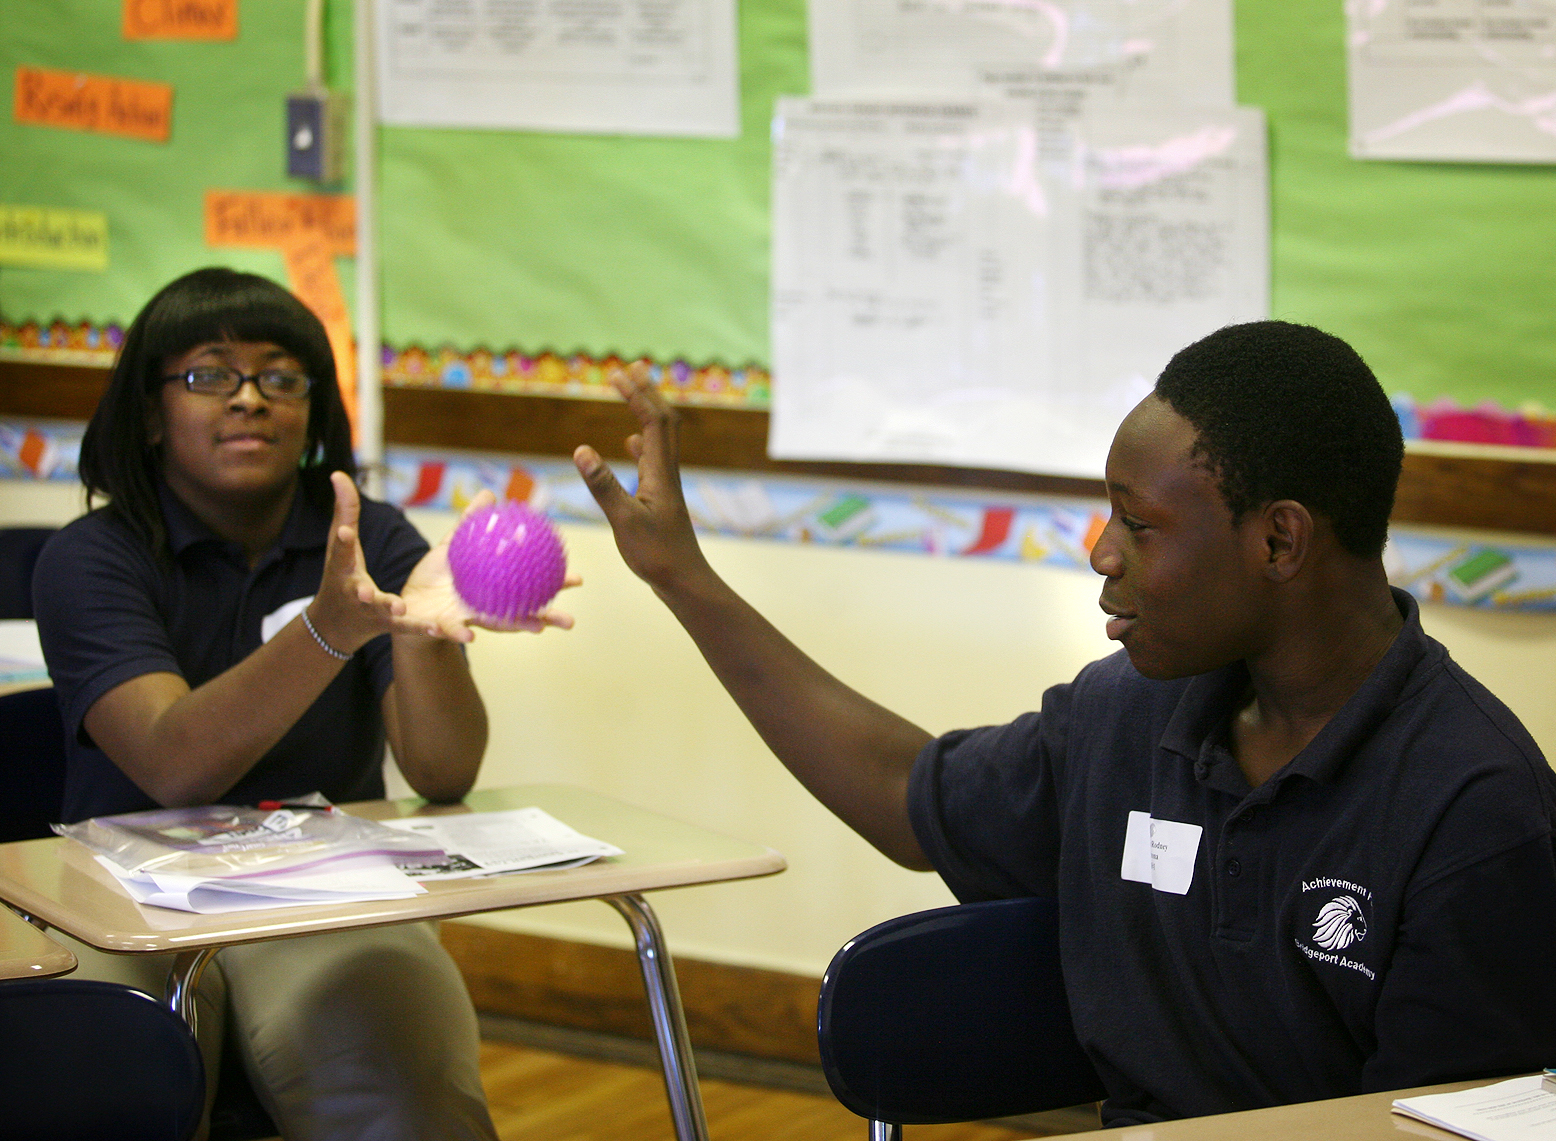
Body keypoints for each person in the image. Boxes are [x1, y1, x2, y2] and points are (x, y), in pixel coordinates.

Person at [572, 320, 1556, 1124]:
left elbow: (1438, 1125)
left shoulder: (1474, 812)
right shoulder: (1131, 713)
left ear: (1278, 539)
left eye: (1138, 523)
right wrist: (685, 581)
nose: (1099, 551)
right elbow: (902, 793)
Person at [32, 266, 572, 1141]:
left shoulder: (374, 539)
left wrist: (424, 631)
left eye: (280, 377)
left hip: (323, 894)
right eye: (210, 375)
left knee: (407, 1094)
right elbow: (174, 764)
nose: (249, 399)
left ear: (314, 410)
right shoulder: (91, 558)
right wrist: (329, 627)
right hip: (123, 902)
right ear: (148, 412)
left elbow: (442, 771)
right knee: (102, 1083)